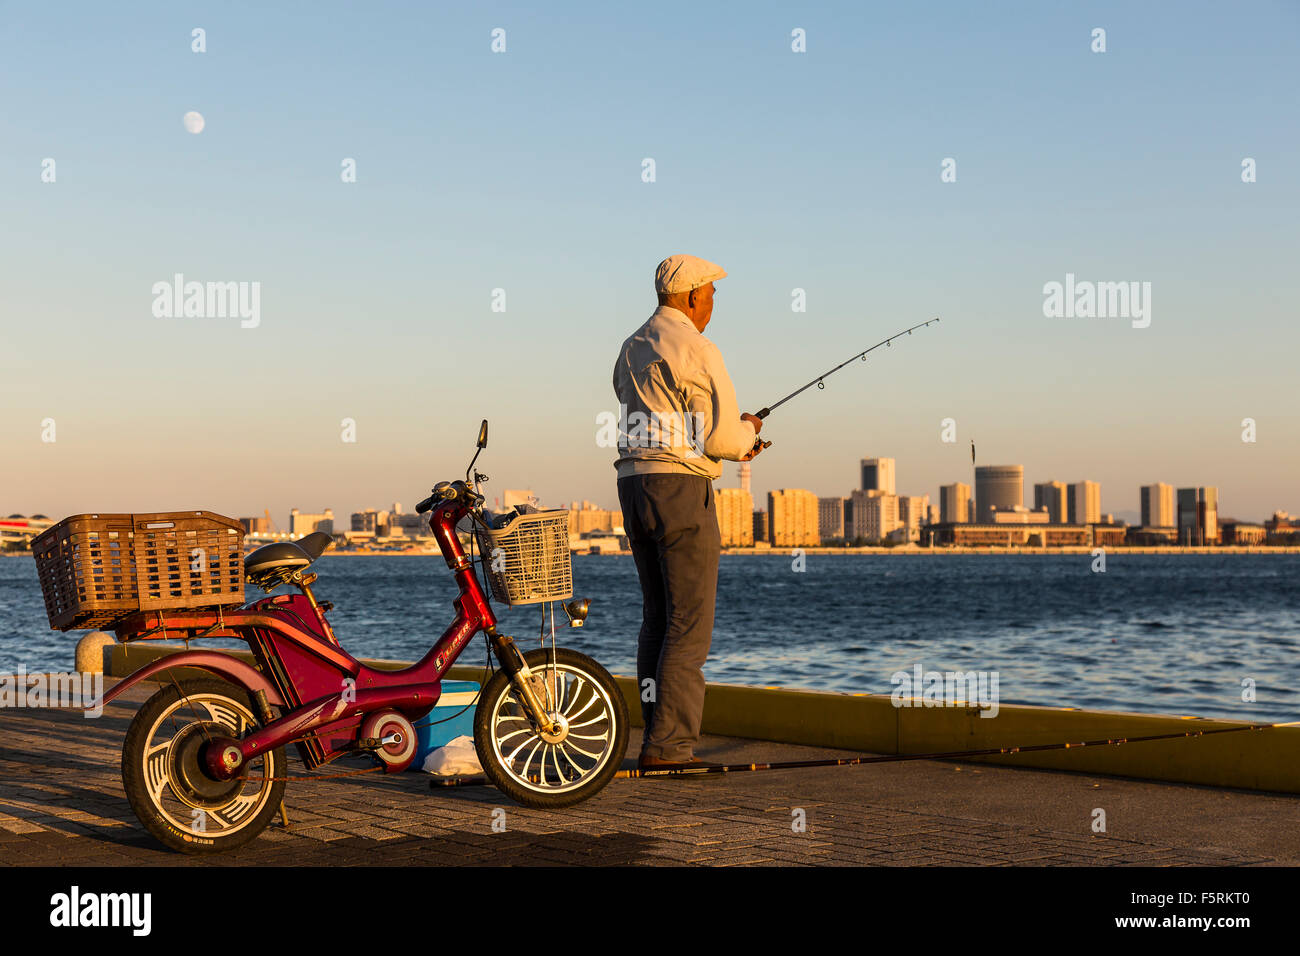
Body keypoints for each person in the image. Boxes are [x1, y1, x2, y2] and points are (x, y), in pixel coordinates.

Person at [612, 254, 765, 770]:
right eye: (713, 293)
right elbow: (719, 437)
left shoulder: (631, 347)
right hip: (680, 486)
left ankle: (655, 737)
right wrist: (747, 436)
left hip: (634, 485)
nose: (715, 302)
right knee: (689, 622)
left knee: (657, 617)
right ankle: (669, 746)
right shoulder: (698, 348)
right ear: (694, 295)